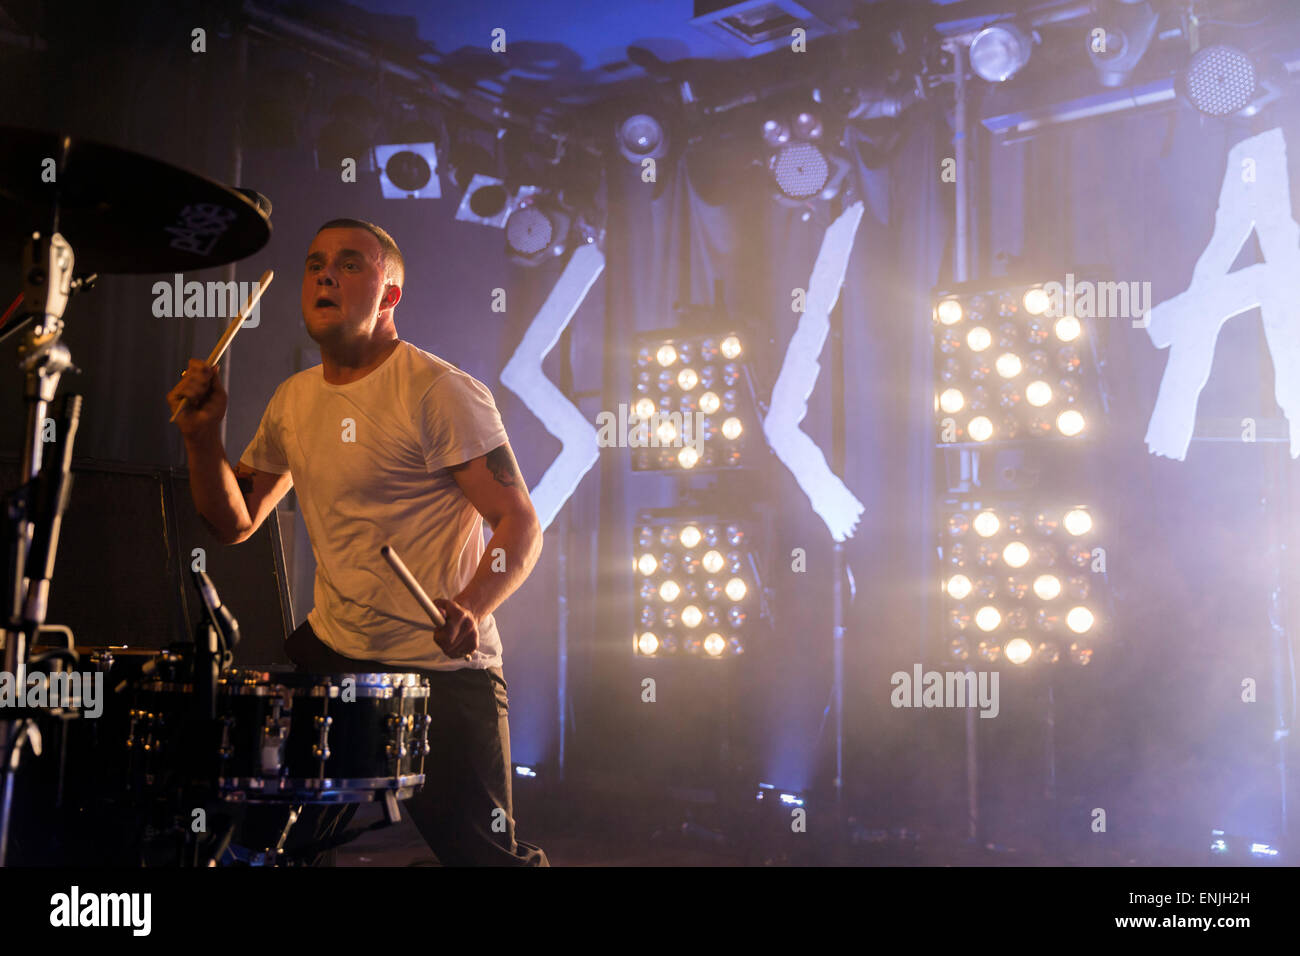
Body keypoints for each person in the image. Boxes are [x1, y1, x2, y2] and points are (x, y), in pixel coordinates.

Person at [167, 217, 547, 866]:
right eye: (315, 263)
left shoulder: (438, 391)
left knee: (487, 860)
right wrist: (203, 440)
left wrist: (472, 606)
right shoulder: (293, 400)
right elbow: (234, 522)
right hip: (336, 660)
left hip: (439, 675)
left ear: (390, 294)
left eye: (349, 263)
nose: (325, 274)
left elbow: (519, 523)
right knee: (259, 850)